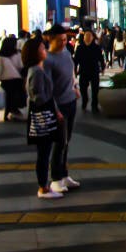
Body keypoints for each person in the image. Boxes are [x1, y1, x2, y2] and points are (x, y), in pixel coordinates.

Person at [23, 36, 66, 199]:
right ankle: (43, 188)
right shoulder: (36, 72)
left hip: (45, 113)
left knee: (45, 151)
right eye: (42, 48)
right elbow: (38, 97)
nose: (45, 51)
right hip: (42, 116)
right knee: (43, 153)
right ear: (35, 53)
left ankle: (44, 186)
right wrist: (53, 108)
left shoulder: (37, 70)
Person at [43, 24, 81, 194]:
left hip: (71, 101)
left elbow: (71, 74)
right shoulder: (47, 60)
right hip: (59, 106)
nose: (63, 43)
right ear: (51, 40)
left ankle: (64, 175)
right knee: (59, 143)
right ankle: (56, 178)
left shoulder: (66, 53)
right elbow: (47, 89)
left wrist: (75, 86)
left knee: (66, 141)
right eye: (59, 40)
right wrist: (55, 109)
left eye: (65, 39)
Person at [73, 29, 105, 113]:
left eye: (89, 36)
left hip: (94, 71)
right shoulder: (80, 48)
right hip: (83, 71)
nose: (87, 37)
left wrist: (103, 67)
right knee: (83, 88)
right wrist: (75, 70)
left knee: (95, 90)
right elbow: (76, 60)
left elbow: (101, 59)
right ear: (83, 38)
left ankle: (94, 105)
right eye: (86, 36)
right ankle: (85, 100)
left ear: (92, 37)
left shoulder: (96, 47)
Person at [0, 36, 26, 121]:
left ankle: (6, 114)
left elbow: (0, 69)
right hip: (16, 78)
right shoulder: (17, 54)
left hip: (5, 79)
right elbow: (21, 66)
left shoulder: (0, 55)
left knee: (8, 96)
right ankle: (14, 112)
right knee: (15, 96)